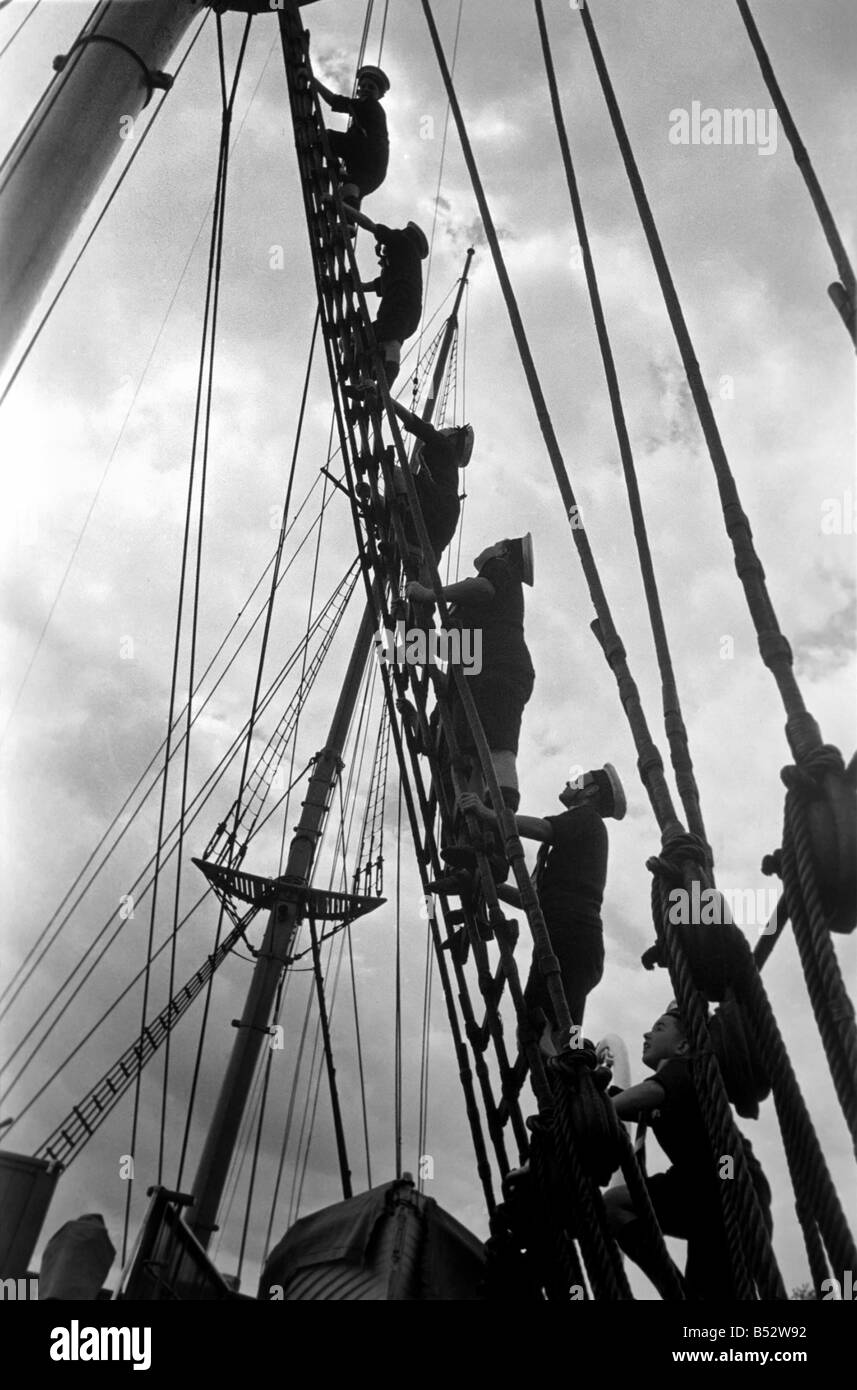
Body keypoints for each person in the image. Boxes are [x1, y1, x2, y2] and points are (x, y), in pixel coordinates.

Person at [603, 1003, 773, 1300]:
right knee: (616, 1205)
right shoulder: (657, 1092)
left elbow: (643, 1097)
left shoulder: (688, 1070)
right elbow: (622, 1102)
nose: (646, 1033)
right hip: (695, 1188)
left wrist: (599, 1109)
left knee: (716, 1296)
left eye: (658, 1029)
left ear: (683, 1045)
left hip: (730, 1188)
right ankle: (675, 1291)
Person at [458, 763, 626, 1040]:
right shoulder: (578, 835)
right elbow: (531, 901)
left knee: (544, 1032)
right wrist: (489, 884)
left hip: (570, 939)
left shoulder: (586, 818)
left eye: (578, 780)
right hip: (571, 942)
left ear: (591, 791)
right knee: (541, 1031)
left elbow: (545, 828)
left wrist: (488, 814)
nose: (570, 781)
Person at [407, 534, 535, 879]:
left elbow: (483, 590)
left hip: (498, 670)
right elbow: (458, 657)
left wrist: (428, 594)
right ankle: (476, 837)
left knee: (495, 752)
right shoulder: (478, 615)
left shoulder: (499, 568)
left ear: (504, 552)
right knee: (470, 759)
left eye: (497, 544)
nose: (490, 546)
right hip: (487, 674)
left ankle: (494, 835)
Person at [340, 207, 428, 386]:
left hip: (398, 308)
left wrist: (344, 209)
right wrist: (356, 287)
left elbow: (370, 225)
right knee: (378, 342)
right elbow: (377, 285)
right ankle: (373, 381)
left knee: (387, 343)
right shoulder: (402, 266)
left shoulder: (402, 241)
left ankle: (380, 386)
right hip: (408, 315)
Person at [313, 65, 390, 209]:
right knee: (349, 192)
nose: (366, 89)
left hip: (368, 153)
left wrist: (313, 81)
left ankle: (336, 169)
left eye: (371, 87)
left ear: (378, 95)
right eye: (363, 86)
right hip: (375, 172)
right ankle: (348, 224)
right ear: (358, 90)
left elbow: (334, 100)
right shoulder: (369, 114)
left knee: (326, 137)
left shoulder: (368, 104)